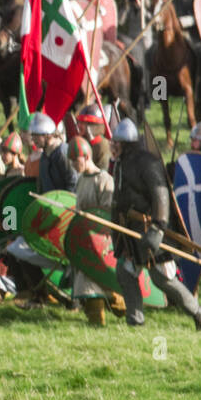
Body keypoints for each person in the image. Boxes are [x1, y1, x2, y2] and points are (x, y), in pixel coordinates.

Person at [111, 118, 201, 330]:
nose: (113, 146)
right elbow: (117, 201)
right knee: (126, 272)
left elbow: (161, 195)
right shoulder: (120, 164)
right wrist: (115, 233)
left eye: (117, 142)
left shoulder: (146, 163)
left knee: (162, 278)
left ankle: (200, 314)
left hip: (153, 229)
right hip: (132, 232)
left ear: (127, 143)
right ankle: (135, 321)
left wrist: (158, 228)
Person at [69, 136, 125, 325]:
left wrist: (91, 217)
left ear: (86, 157)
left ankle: (122, 305)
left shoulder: (104, 180)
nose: (73, 165)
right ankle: (97, 321)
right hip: (85, 242)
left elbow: (109, 215)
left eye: (75, 161)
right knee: (88, 283)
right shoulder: (81, 181)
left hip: (101, 242)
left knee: (101, 281)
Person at [30, 112, 76, 193]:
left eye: (36, 135)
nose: (33, 139)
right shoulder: (44, 155)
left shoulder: (62, 152)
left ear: (47, 135)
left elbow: (73, 181)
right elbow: (42, 184)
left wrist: (66, 202)